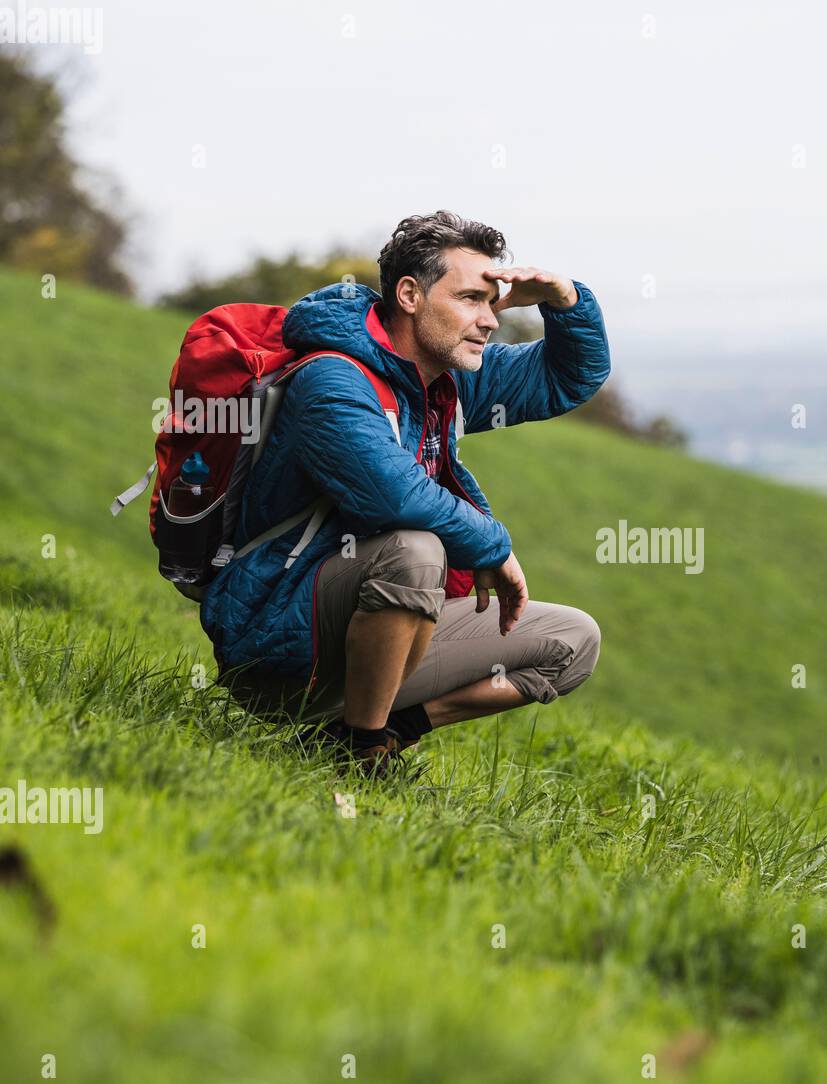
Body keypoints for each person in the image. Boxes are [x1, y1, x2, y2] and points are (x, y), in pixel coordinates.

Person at [199, 211, 611, 775]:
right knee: (416, 548)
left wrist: (565, 300)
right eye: (470, 298)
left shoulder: (447, 375)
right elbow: (393, 498)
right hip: (280, 649)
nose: (489, 321)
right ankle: (361, 754)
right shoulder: (332, 379)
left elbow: (567, 379)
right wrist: (492, 544)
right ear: (411, 294)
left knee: (571, 641)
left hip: (378, 633)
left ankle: (359, 736)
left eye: (492, 302)